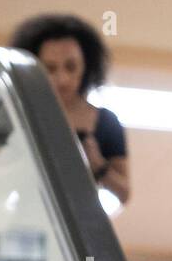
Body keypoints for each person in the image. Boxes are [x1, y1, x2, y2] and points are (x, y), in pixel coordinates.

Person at [11, 13, 130, 204]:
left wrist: (98, 165)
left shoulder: (106, 122)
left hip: (79, 219)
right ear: (34, 69)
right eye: (50, 68)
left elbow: (124, 193)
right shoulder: (17, 115)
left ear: (87, 67)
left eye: (71, 66)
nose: (62, 79)